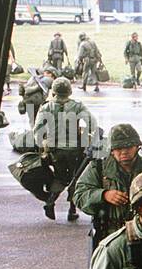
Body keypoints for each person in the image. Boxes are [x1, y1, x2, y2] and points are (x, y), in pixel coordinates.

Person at [73, 122, 142, 253]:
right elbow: (79, 196)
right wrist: (103, 195)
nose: (124, 152)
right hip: (109, 238)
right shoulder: (98, 168)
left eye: (129, 147)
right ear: (111, 150)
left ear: (138, 147)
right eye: (119, 148)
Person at [33, 76, 97, 221]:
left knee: (60, 177)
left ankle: (50, 201)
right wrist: (86, 136)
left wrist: (43, 146)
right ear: (69, 91)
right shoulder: (77, 106)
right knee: (76, 177)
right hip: (75, 149)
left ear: (54, 92)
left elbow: (37, 131)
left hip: (55, 150)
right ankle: (72, 210)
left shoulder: (46, 107)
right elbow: (92, 122)